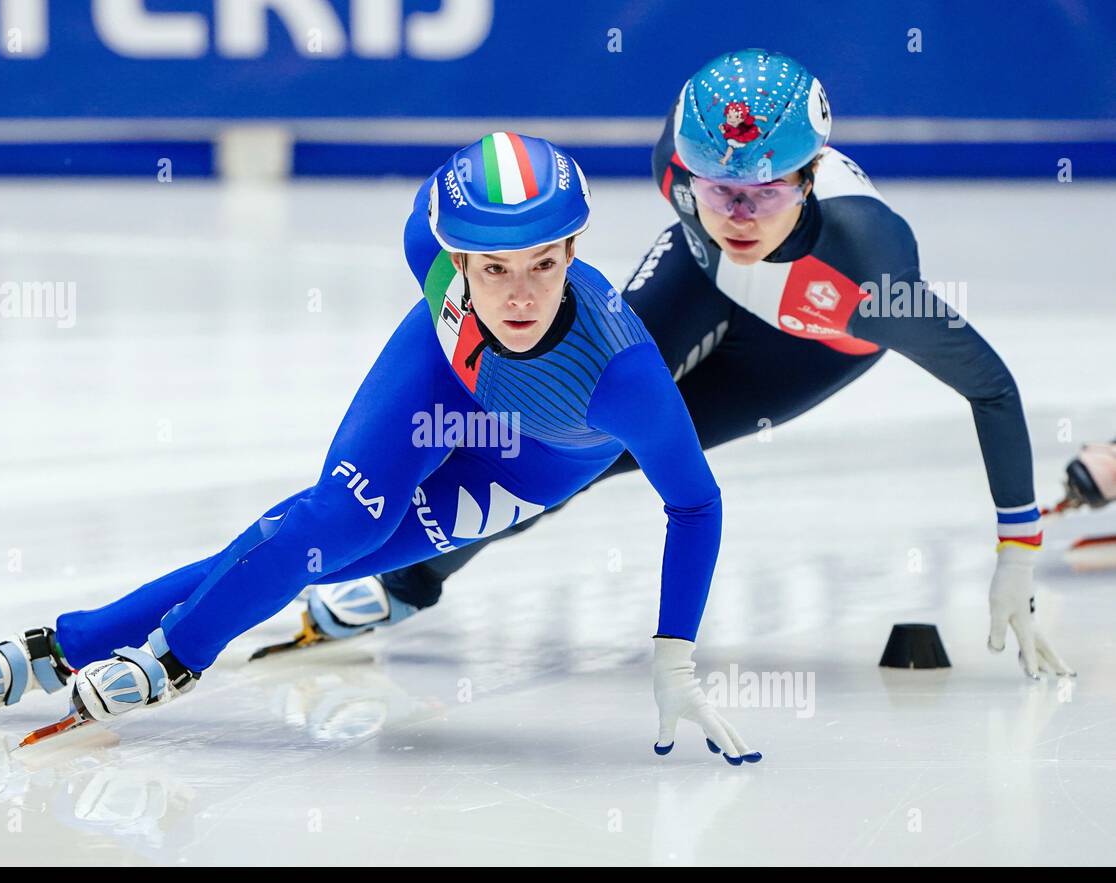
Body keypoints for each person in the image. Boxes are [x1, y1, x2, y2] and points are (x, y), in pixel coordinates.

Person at [0, 133, 760, 763]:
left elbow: (695, 502)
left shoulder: (623, 378)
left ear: (573, 248)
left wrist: (673, 653)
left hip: (539, 457)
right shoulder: (433, 254)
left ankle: (65, 647)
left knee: (334, 559)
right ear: (452, 261)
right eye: (491, 268)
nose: (520, 293)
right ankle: (162, 657)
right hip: (438, 382)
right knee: (327, 527)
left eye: (542, 263)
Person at [304, 49, 1075, 681]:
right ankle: (379, 546)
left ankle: (401, 584)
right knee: (561, 415)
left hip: (804, 343)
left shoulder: (872, 278)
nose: (739, 216)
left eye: (767, 193)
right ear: (686, 171)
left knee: (596, 456)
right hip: (700, 282)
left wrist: (1017, 546)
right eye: (720, 190)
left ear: (809, 178)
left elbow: (992, 387)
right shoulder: (677, 161)